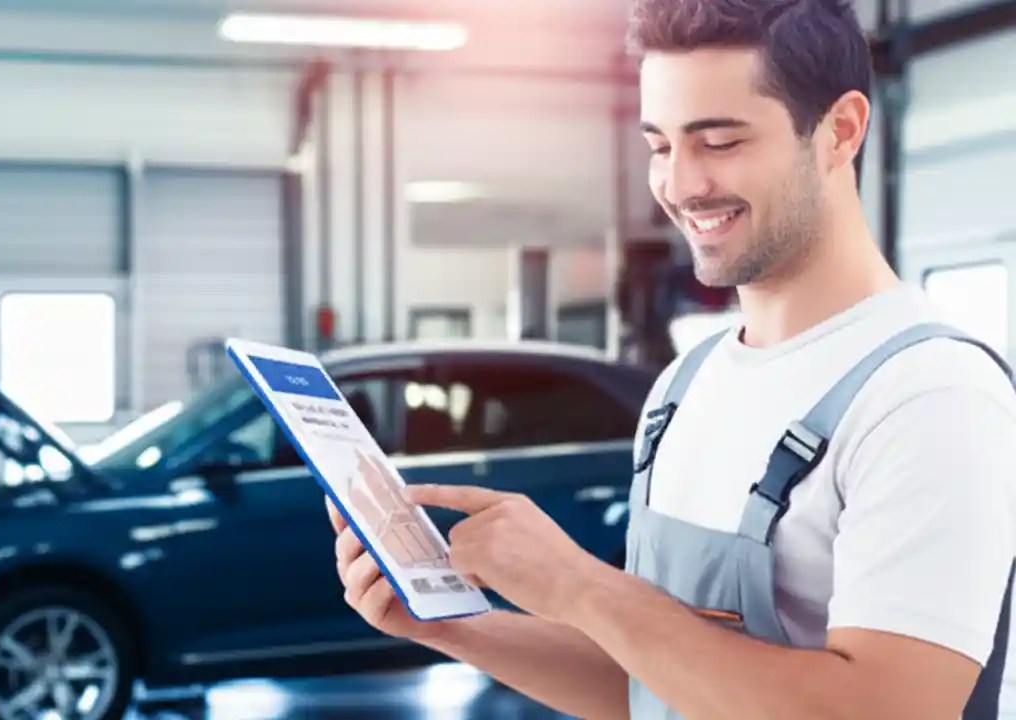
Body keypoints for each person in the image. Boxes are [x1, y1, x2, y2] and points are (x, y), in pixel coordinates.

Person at [325, 0, 1016, 718]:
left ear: (840, 130)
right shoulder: (684, 388)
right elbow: (649, 685)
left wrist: (579, 585)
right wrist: (452, 624)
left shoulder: (929, 395)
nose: (682, 186)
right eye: (660, 146)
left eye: (719, 143)